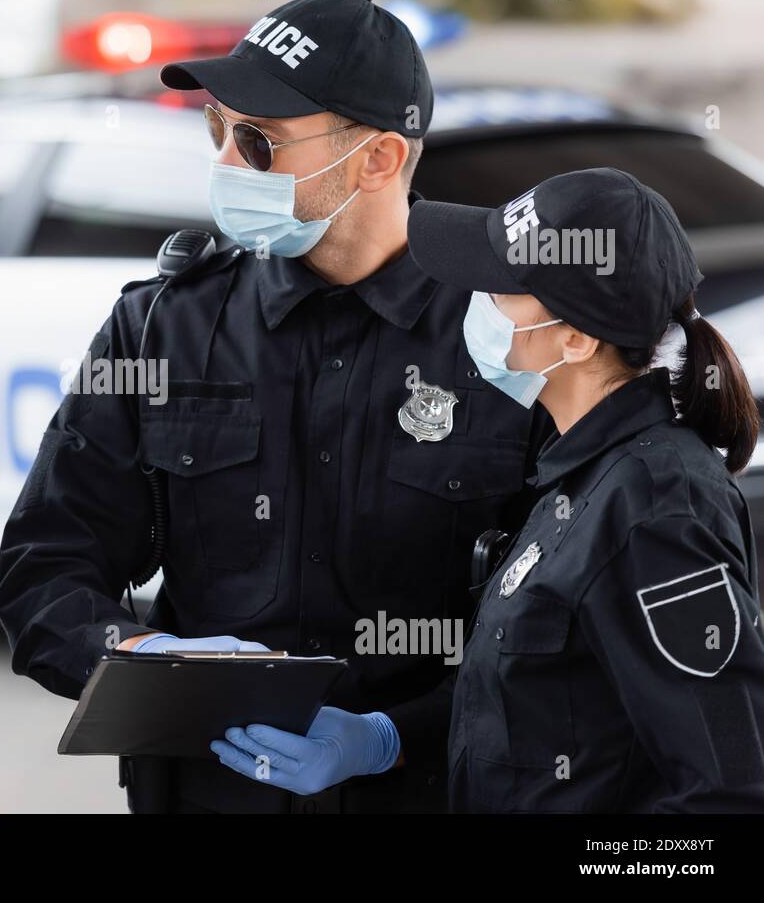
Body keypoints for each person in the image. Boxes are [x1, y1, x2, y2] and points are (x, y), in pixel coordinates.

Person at [0, 0, 553, 813]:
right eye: (216, 127)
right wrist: (148, 654)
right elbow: (45, 570)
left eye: (258, 141)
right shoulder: (160, 326)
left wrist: (393, 736)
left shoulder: (515, 331)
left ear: (379, 159)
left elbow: (566, 632)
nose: (225, 161)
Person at [221, 166, 764, 811]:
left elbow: (730, 792)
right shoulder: (584, 471)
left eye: (502, 291)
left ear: (577, 337)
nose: (473, 301)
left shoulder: (656, 502)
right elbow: (549, 706)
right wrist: (385, 738)